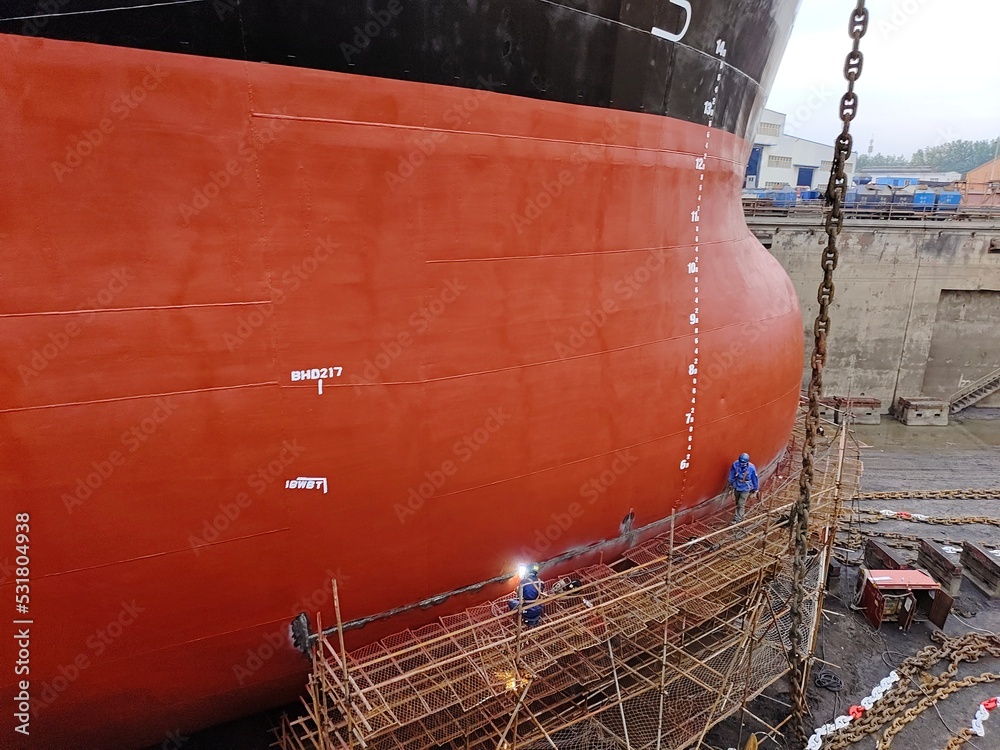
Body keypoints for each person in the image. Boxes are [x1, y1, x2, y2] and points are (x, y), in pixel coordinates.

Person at [727, 452, 759, 523]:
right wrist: (730, 482)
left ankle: (738, 518)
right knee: (737, 502)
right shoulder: (736, 464)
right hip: (737, 485)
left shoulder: (751, 468)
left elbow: (754, 478)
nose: (741, 464)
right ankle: (737, 515)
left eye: (743, 462)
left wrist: (755, 488)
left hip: (745, 488)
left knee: (741, 503)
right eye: (740, 462)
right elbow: (732, 473)